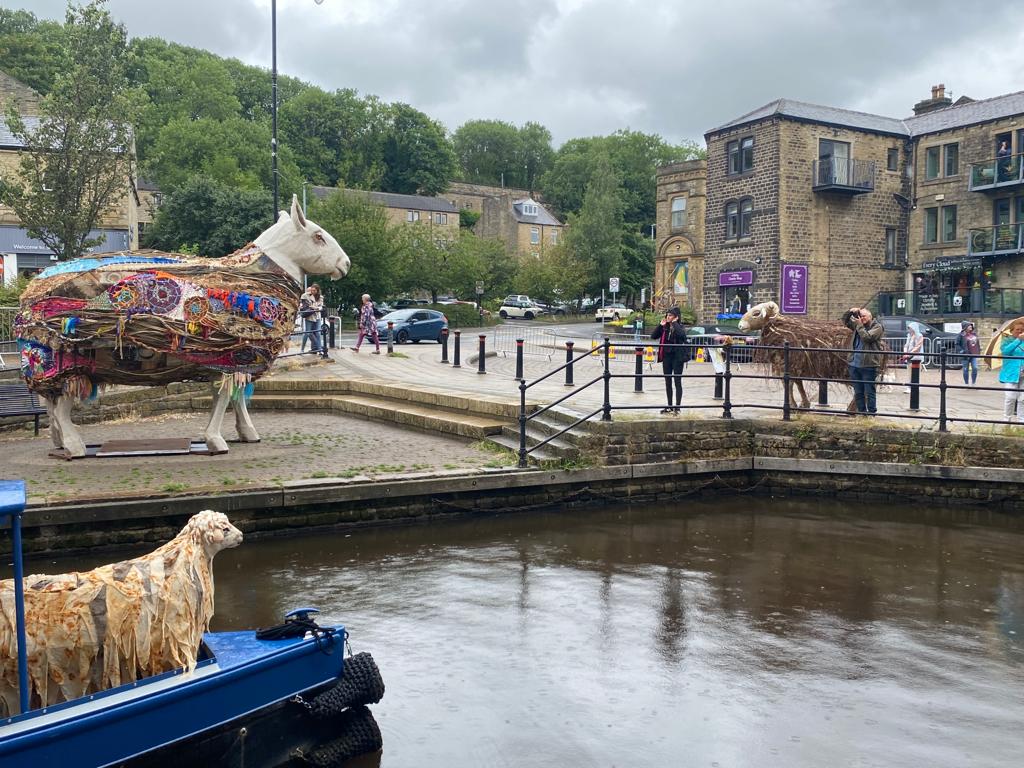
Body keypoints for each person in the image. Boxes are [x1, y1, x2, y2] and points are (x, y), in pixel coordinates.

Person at [842, 306, 884, 415]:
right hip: (854, 364)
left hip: (868, 365)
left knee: (869, 391)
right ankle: (862, 413)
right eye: (860, 316)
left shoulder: (877, 327)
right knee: (858, 391)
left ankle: (871, 413)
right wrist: (850, 311)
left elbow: (867, 337)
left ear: (870, 316)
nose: (862, 318)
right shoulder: (858, 326)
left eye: (864, 316)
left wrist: (859, 325)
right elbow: (845, 321)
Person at [650, 306, 690, 414]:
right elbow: (653, 336)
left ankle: (677, 407)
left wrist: (675, 323)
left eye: (670, 315)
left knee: (677, 381)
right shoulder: (665, 327)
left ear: (676, 317)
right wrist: (660, 325)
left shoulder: (680, 326)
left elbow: (682, 336)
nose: (668, 317)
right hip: (667, 356)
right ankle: (669, 405)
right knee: (668, 382)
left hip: (677, 357)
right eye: (667, 315)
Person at [999, 323, 1024, 423]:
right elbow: (1005, 352)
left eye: (1022, 329)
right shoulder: (1007, 340)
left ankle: (1021, 420)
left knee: (1023, 399)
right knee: (1010, 397)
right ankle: (1007, 420)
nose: (1020, 331)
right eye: (1017, 329)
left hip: (1023, 373)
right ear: (1012, 330)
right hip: (1011, 373)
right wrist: (1019, 340)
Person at [299, 283, 324, 353]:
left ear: (317, 291)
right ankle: (302, 349)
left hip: (317, 317)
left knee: (318, 333)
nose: (313, 292)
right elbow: (302, 302)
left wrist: (315, 307)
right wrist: (302, 306)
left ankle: (319, 350)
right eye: (312, 290)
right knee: (307, 333)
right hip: (309, 316)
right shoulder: (307, 295)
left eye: (314, 290)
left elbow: (321, 307)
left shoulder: (321, 297)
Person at [901, 322, 924, 393]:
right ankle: (910, 386)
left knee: (915, 373)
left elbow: (918, 347)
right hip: (909, 357)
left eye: (910, 328)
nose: (909, 330)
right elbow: (906, 345)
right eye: (909, 328)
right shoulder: (909, 336)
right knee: (909, 373)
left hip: (916, 357)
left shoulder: (919, 336)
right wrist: (905, 353)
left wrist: (909, 354)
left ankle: (915, 386)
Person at [957, 321, 981, 386]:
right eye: (969, 325)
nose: (971, 326)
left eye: (971, 325)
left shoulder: (974, 334)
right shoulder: (961, 335)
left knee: (975, 368)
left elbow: (977, 343)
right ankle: (966, 383)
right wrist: (962, 351)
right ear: (965, 327)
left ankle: (973, 383)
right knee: (965, 369)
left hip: (973, 354)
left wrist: (978, 350)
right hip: (965, 355)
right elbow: (957, 344)